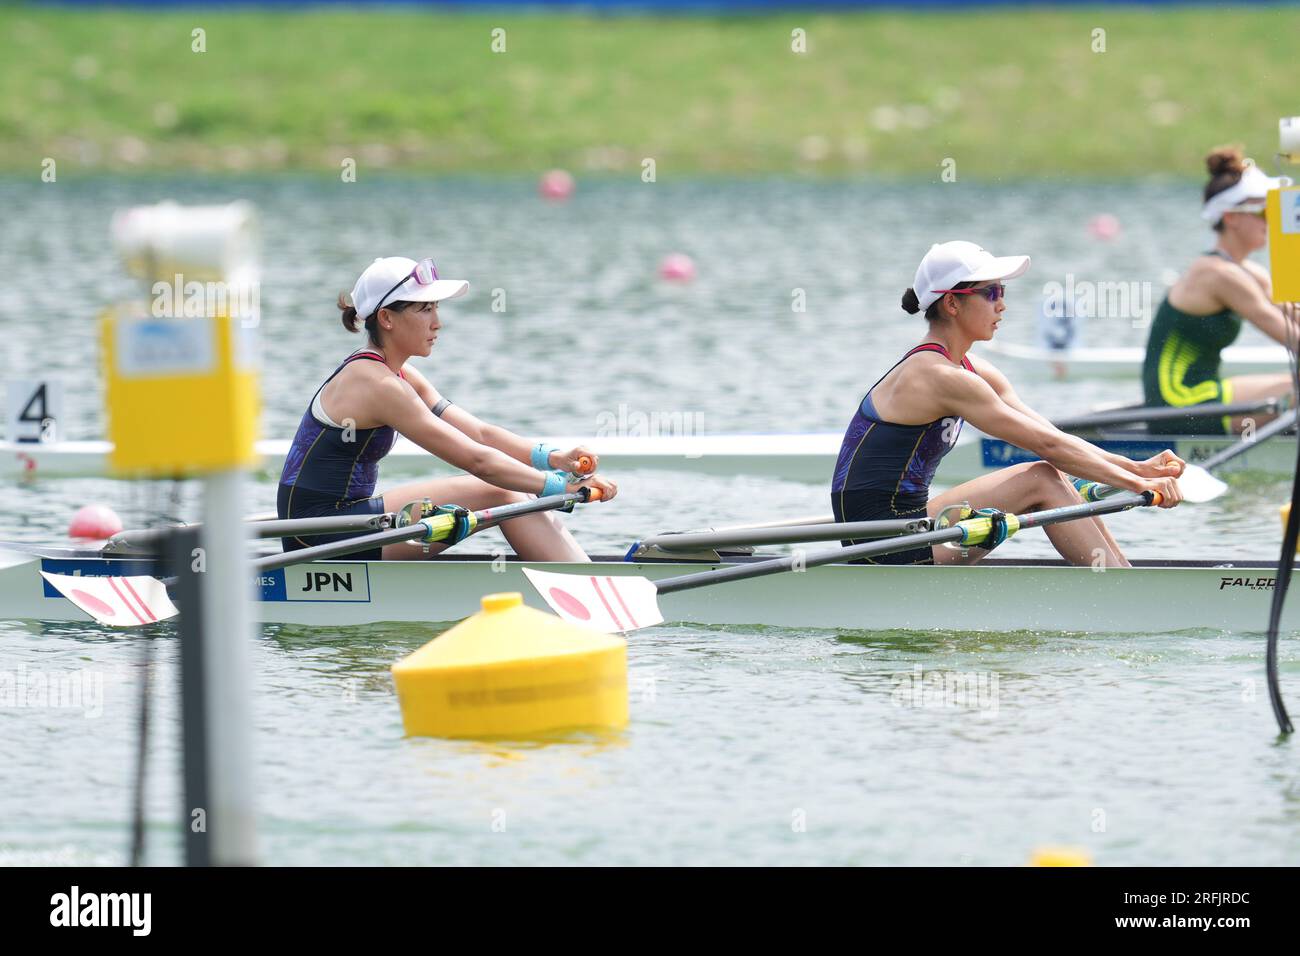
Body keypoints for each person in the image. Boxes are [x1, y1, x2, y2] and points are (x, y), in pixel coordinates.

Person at [831, 241, 1183, 569]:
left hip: (910, 519)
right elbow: (1045, 447)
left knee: (1051, 474)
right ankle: (1124, 591)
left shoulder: (972, 369)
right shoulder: (937, 375)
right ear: (952, 304)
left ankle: (1123, 578)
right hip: (877, 541)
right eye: (991, 293)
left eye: (1002, 292)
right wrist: (1137, 484)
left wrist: (1136, 469)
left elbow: (1050, 434)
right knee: (1042, 478)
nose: (1002, 304)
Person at [277, 256, 617, 561]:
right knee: (502, 489)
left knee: (517, 484)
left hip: (349, 518)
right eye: (425, 309)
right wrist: (559, 488)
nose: (437, 322)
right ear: (386, 318)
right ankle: (582, 585)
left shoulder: (402, 374)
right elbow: (477, 461)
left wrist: (554, 459)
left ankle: (577, 577)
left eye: (436, 308)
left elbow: (482, 435)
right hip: (315, 535)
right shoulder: (377, 385)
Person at [1142, 146, 1298, 434]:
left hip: (1204, 391)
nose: (1272, 220)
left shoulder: (1247, 271)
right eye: (1264, 211)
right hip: (1177, 401)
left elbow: (1294, 316)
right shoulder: (1217, 274)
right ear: (1231, 217)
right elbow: (1292, 338)